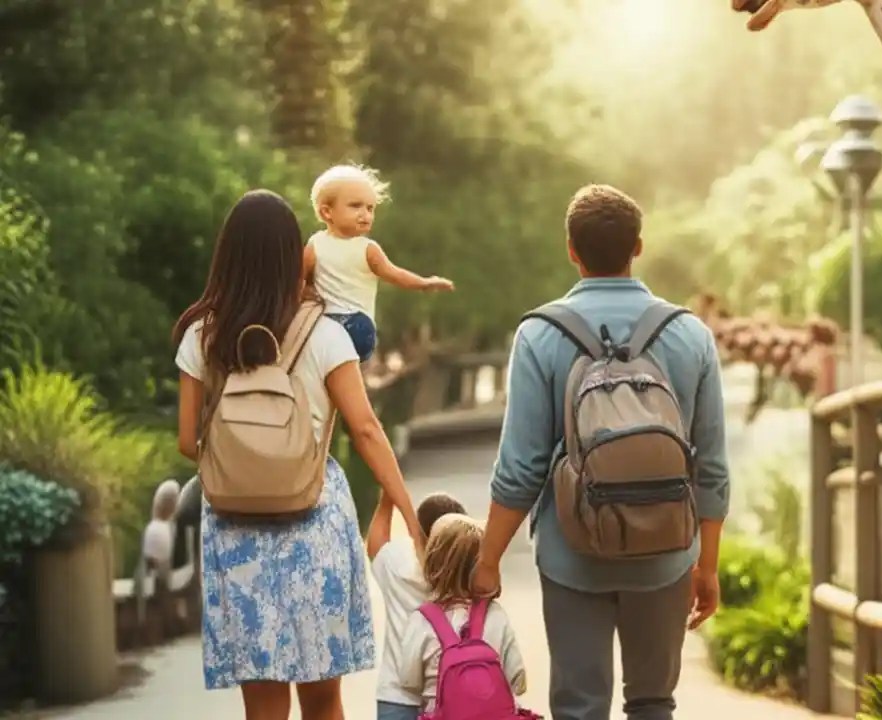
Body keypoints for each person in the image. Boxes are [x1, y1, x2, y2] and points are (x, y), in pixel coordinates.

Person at [473, 184, 730, 719]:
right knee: (654, 701)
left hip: (573, 553)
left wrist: (488, 558)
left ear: (571, 249)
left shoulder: (539, 335)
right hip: (666, 552)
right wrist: (706, 564)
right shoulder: (690, 335)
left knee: (579, 706)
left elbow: (519, 468)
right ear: (639, 247)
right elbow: (711, 468)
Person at [173, 189, 426, 720]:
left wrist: (244, 469)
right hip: (315, 518)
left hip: (235, 529)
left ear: (229, 254)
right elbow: (366, 431)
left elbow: (185, 441)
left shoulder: (202, 335)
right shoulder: (326, 334)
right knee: (322, 698)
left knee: (263, 703)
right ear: (295, 255)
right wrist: (406, 511)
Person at [304, 164, 454, 363]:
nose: (365, 214)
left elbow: (394, 274)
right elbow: (300, 281)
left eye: (370, 208)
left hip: (356, 325)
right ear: (327, 212)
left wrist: (423, 283)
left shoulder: (367, 249)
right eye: (356, 206)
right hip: (325, 324)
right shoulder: (315, 245)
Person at [396, 514, 529, 716]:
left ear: (433, 563)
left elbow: (408, 680)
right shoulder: (496, 615)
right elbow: (517, 681)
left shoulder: (422, 620)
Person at [366, 492, 468, 720]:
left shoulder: (398, 565)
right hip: (454, 697)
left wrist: (387, 499)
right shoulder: (467, 575)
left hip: (397, 696)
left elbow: (375, 544)